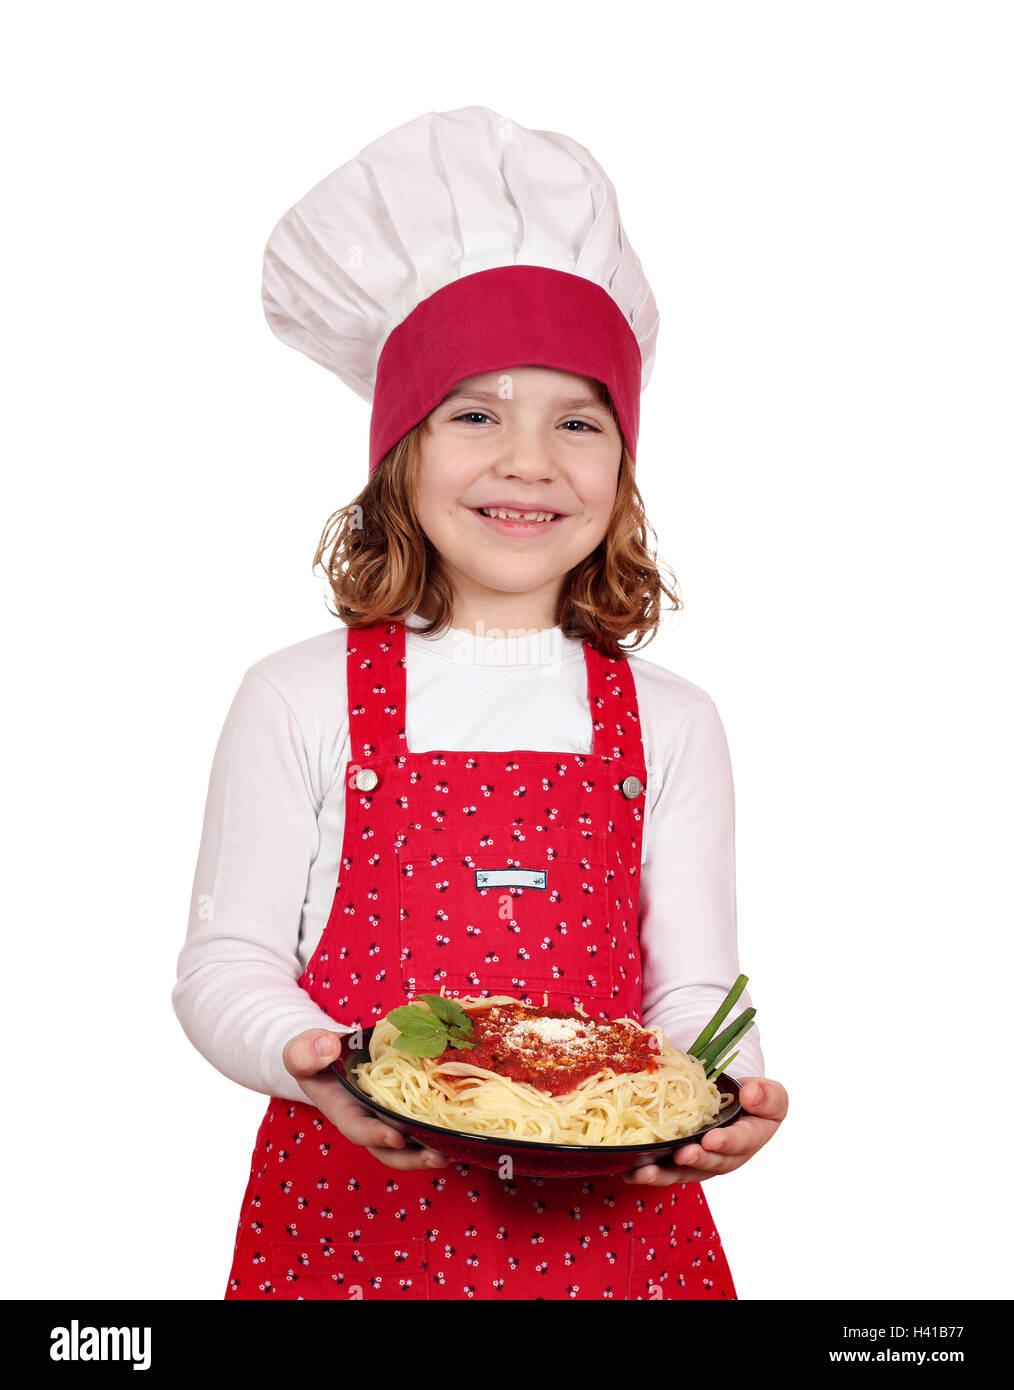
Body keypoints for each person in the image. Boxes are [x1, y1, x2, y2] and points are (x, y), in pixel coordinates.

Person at [173, 106, 788, 1302]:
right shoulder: (298, 696)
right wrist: (309, 1059)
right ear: (399, 449)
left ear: (621, 464)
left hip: (616, 1243)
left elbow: (694, 984)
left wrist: (727, 1091)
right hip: (349, 1222)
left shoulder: (673, 719)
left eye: (577, 419)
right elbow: (226, 960)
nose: (528, 458)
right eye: (475, 412)